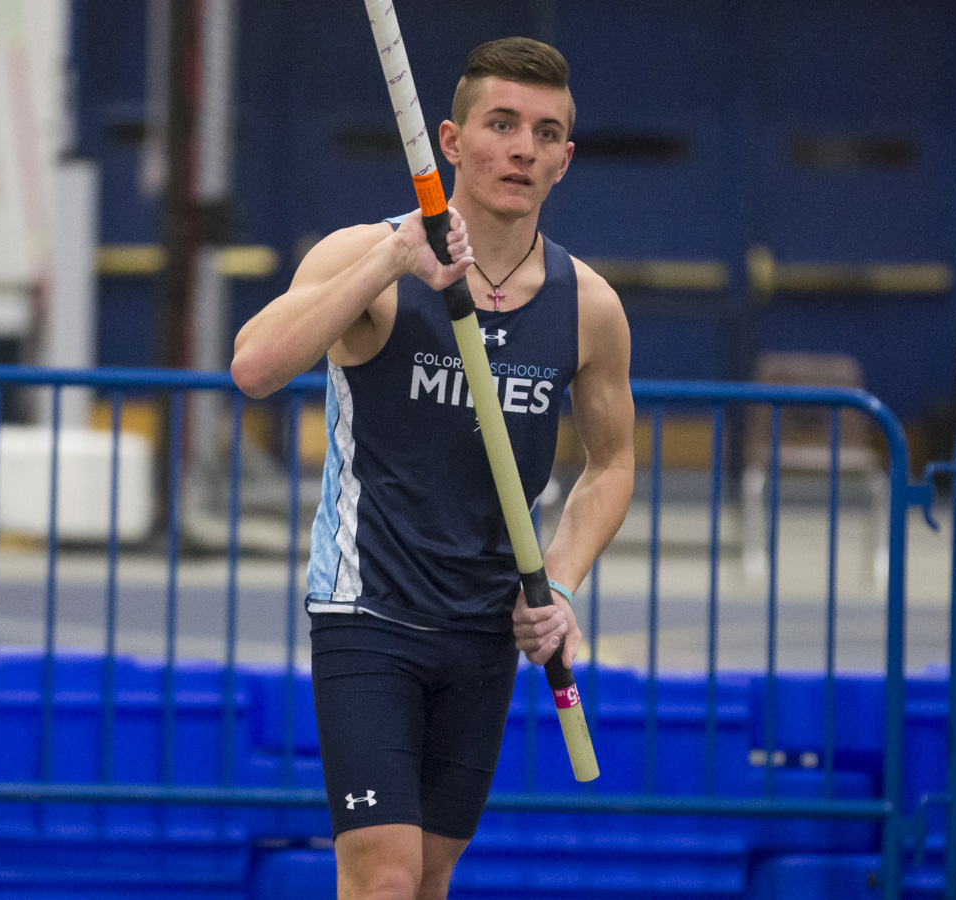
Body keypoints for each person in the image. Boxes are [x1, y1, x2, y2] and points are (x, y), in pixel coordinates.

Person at [231, 37, 634, 900]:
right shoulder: (364, 259)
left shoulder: (588, 306)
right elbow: (255, 367)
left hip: (485, 625)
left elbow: (612, 465)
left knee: (429, 879)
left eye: (545, 132)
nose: (522, 147)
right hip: (368, 611)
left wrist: (559, 586)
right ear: (450, 141)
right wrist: (393, 258)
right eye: (501, 124)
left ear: (566, 159)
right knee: (382, 874)